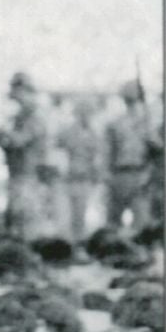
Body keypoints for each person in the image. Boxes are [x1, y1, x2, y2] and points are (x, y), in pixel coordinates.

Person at [0, 72, 49, 239]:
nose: (16, 98)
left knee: (25, 222)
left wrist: (1, 131)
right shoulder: (19, 118)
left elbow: (18, 141)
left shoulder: (35, 118)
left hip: (29, 175)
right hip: (17, 173)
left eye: (18, 93)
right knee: (13, 220)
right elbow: (10, 146)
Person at [106, 81, 160, 232]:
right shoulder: (116, 123)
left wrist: (149, 173)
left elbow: (156, 152)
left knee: (141, 222)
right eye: (127, 98)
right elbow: (110, 151)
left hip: (140, 173)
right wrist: (109, 176)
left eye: (132, 98)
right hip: (120, 173)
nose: (129, 101)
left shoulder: (149, 122)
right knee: (113, 221)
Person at [56, 97, 105, 242]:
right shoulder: (67, 131)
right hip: (69, 177)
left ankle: (80, 243)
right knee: (68, 213)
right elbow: (59, 151)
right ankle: (69, 243)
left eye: (88, 113)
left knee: (82, 213)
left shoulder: (94, 133)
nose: (85, 116)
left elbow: (97, 155)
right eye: (82, 113)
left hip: (85, 178)